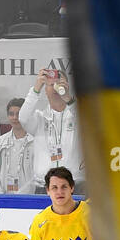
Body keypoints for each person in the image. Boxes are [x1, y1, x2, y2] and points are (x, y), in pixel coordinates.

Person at [21, 68, 86, 196]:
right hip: (44, 187)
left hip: (74, 186)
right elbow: (22, 118)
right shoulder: (39, 118)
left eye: (59, 84)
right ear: (45, 90)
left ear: (67, 87)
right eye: (51, 85)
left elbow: (88, 120)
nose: (55, 88)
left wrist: (68, 98)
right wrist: (36, 89)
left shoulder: (76, 114)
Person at [0, 98, 34, 194]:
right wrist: (1, 196)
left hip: (29, 200)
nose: (14, 117)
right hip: (3, 199)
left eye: (18, 113)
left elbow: (37, 176)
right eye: (11, 114)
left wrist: (22, 196)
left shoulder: (35, 143)